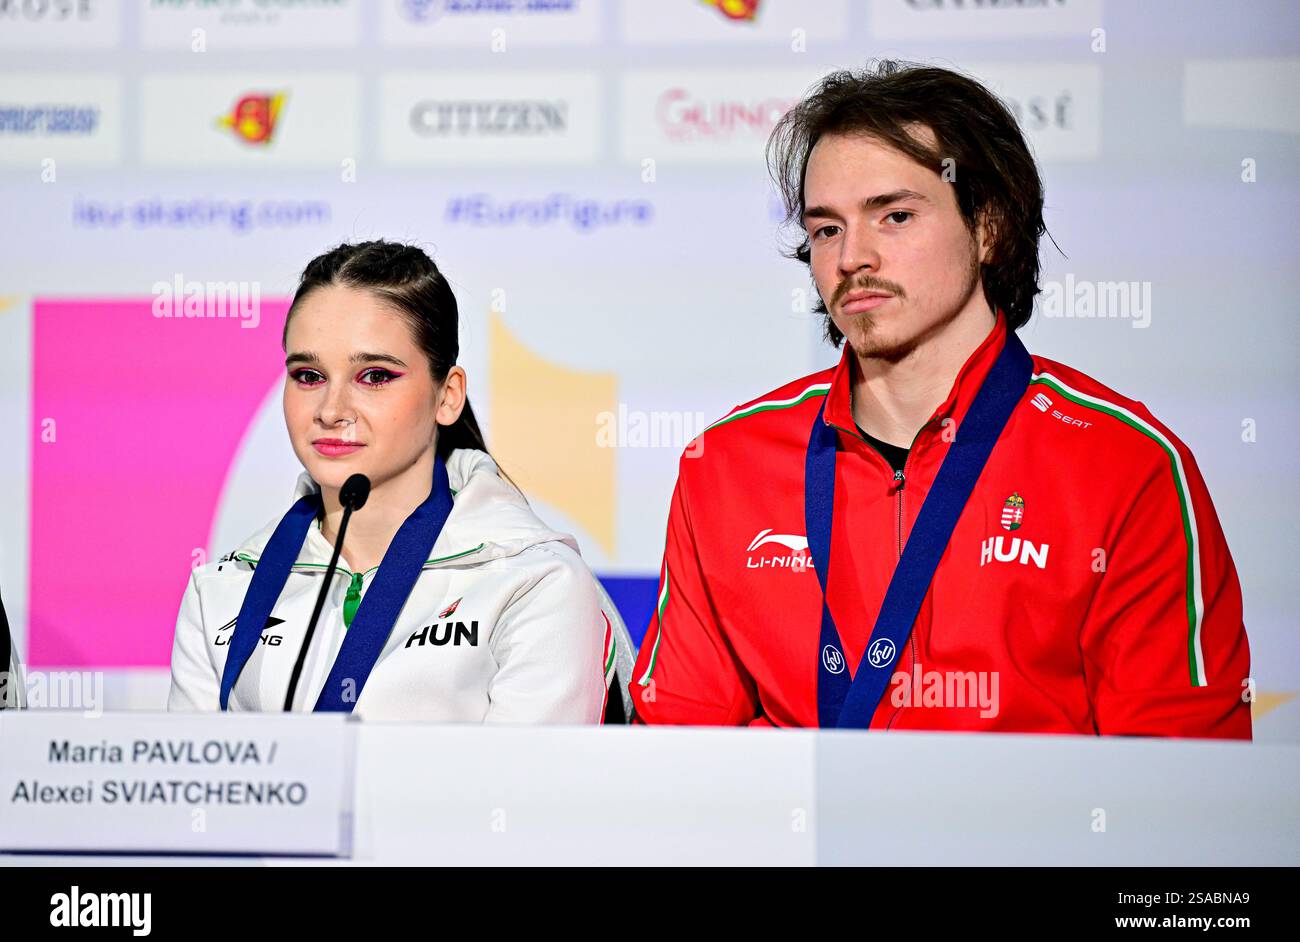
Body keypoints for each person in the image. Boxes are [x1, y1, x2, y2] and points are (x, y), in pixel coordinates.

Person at [629, 61, 1252, 738]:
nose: (853, 257)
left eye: (893, 216)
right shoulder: (725, 463)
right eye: (827, 229)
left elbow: (1183, 784)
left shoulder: (1126, 465)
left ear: (988, 227)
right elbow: (677, 755)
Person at [169, 240, 617, 721]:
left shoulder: (534, 582)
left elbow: (524, 794)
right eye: (309, 375)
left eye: (376, 376)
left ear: (447, 397)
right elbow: (197, 792)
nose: (331, 411)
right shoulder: (221, 590)